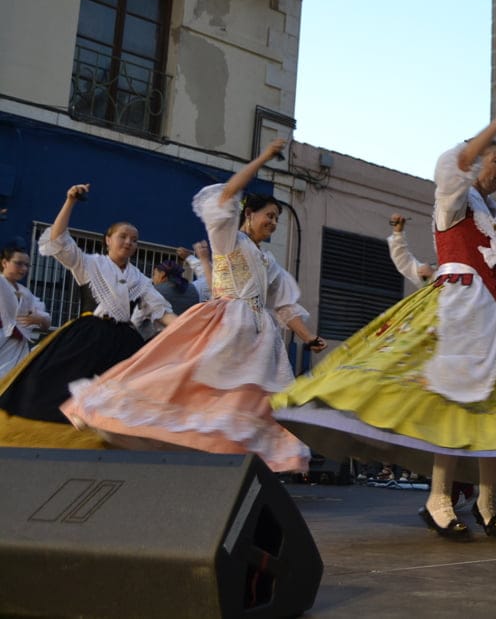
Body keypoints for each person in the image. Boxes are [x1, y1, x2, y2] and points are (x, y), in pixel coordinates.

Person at [273, 96, 496, 541]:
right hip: (459, 307)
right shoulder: (453, 198)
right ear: (477, 164)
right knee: (454, 399)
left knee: (494, 407)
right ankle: (439, 496)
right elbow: (457, 161)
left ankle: (487, 501)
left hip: (495, 314)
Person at [60, 140, 323, 473]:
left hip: (257, 335)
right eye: (269, 216)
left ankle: (231, 461)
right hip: (227, 321)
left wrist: (308, 337)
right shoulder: (230, 239)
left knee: (246, 399)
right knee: (190, 381)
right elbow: (227, 194)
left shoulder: (269, 260)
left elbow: (284, 305)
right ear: (248, 215)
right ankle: (114, 412)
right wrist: (264, 158)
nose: (273, 222)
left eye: (275, 218)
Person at [0, 185, 176, 448]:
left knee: (136, 394)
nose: (129, 242)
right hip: (89, 335)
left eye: (134, 239)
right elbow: (58, 240)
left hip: (124, 341)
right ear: (108, 239)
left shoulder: (139, 279)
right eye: (123, 236)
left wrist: (192, 327)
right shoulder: (90, 263)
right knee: (49, 383)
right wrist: (70, 201)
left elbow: (162, 312)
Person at [0, 245, 50, 377]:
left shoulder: (26, 293)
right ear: (4, 262)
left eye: (27, 265)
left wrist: (40, 320)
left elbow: (46, 322)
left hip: (16, 349)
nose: (23, 269)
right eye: (18, 264)